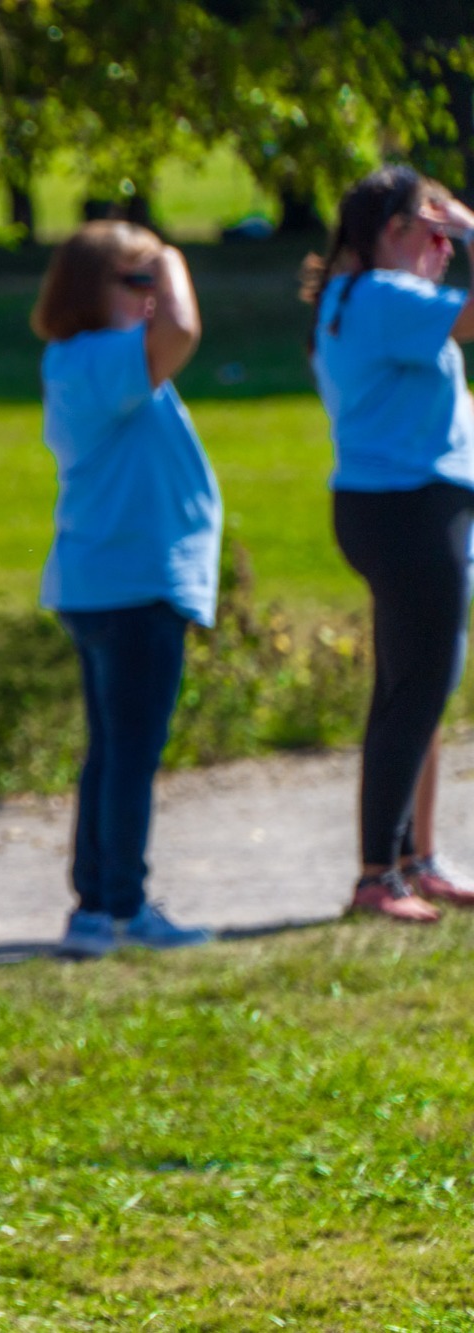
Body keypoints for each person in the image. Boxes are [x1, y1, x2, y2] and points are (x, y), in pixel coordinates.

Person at [30, 223, 219, 957]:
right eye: (135, 281)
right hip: (131, 583)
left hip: (110, 579)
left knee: (112, 749)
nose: (153, 295)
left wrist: (146, 270)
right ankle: (121, 906)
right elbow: (183, 330)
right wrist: (171, 255)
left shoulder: (90, 361)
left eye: (153, 280)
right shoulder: (99, 358)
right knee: (130, 751)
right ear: (91, 290)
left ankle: (97, 904)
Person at [305, 165, 474, 922]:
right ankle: (380, 874)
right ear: (394, 233)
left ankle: (412, 857)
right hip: (412, 511)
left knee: (412, 687)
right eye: (432, 232)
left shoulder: (351, 296)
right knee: (416, 692)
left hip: (384, 507)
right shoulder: (385, 292)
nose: (444, 248)